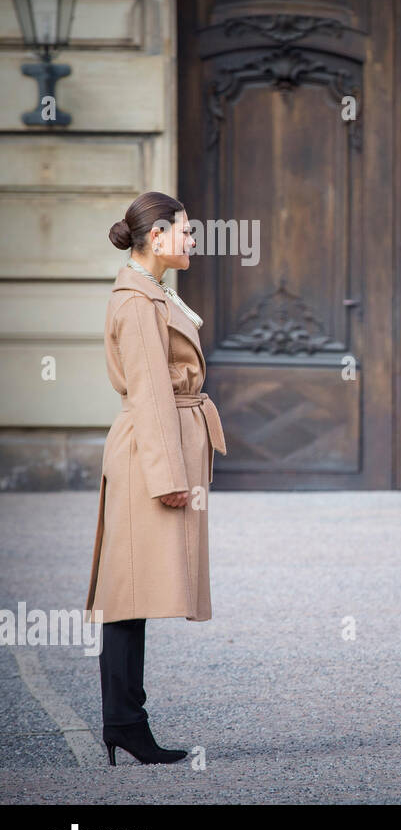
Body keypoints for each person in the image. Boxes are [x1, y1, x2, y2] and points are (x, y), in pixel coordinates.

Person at [87, 191, 227, 764]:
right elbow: (148, 395)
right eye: (187, 233)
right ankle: (124, 721)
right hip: (150, 451)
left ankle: (125, 720)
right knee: (127, 591)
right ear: (159, 235)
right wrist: (168, 475)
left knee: (134, 589)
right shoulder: (139, 302)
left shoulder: (153, 292)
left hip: (158, 445)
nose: (194, 242)